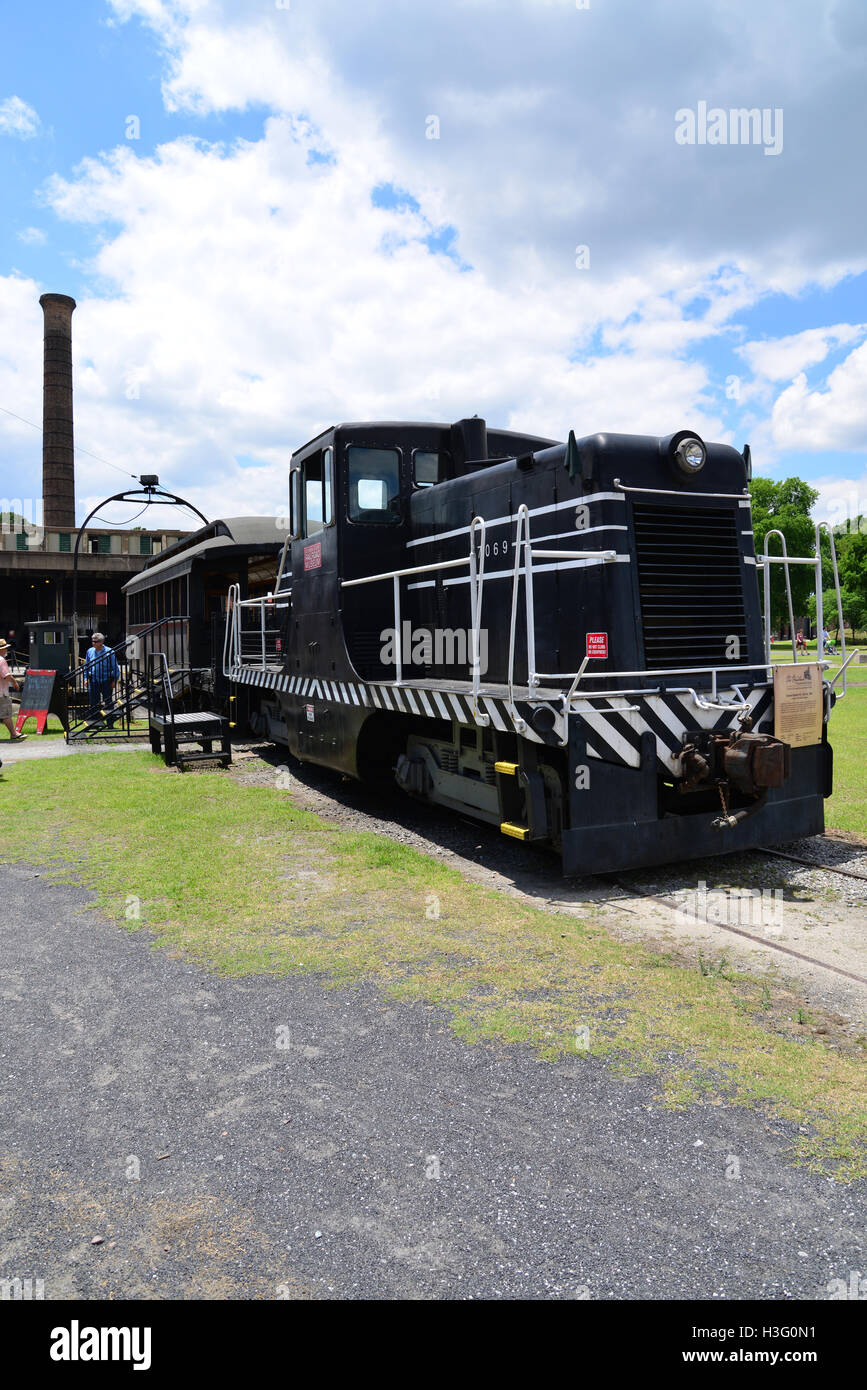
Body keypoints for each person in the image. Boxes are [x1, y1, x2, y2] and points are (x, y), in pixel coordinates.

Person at [85, 632, 120, 727]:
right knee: (93, 703)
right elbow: (86, 666)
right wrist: (85, 678)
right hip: (93, 680)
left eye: (95, 641)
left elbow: (115, 668)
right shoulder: (90, 651)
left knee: (108, 702)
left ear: (101, 642)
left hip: (106, 680)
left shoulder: (110, 652)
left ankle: (110, 724)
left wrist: (114, 680)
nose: (93, 643)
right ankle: (95, 723)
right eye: (92, 641)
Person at [0, 638, 26, 741]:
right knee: (6, 714)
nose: (6, 651)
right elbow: (6, 675)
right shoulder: (1, 660)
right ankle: (13, 733)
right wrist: (15, 682)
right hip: (1, 693)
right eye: (5, 648)